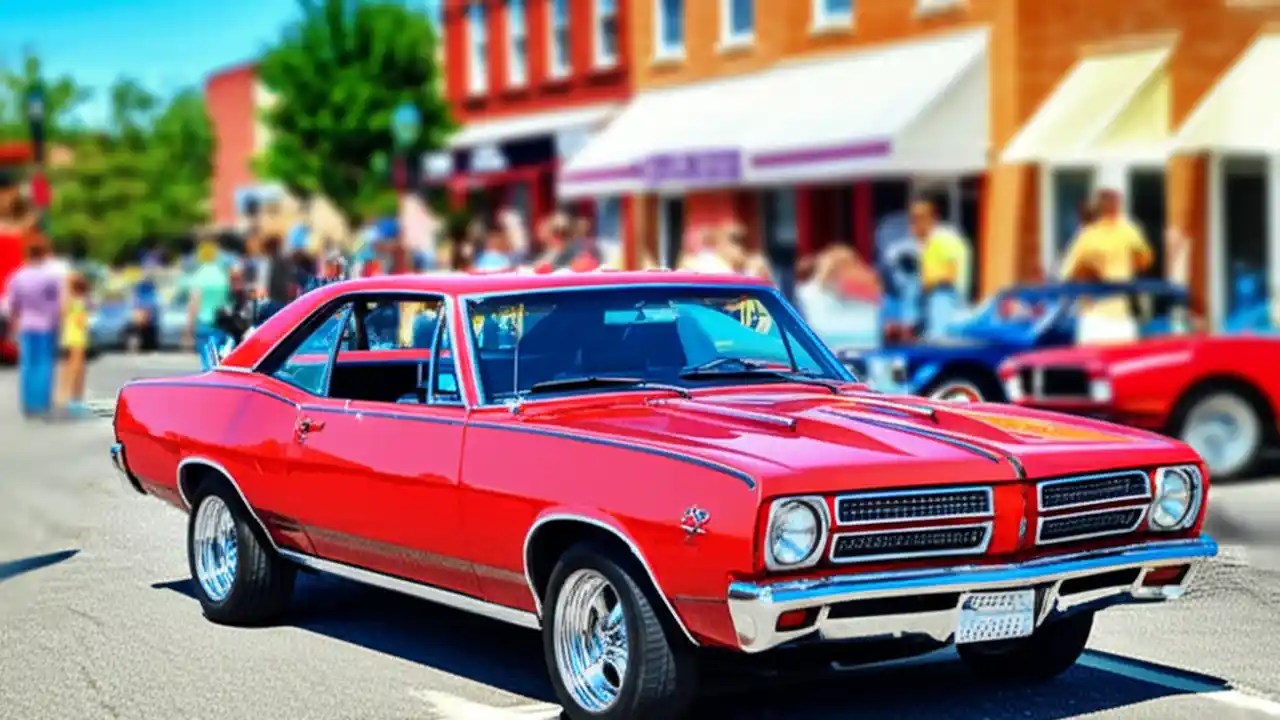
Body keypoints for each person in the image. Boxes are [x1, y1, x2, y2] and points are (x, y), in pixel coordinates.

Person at [1059, 187, 1154, 344]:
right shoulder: (1127, 231)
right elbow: (1144, 262)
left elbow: (1067, 274)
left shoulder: (1087, 235)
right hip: (1118, 316)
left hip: (1096, 317)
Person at [2, 235, 63, 418]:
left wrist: (14, 322)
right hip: (45, 325)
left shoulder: (18, 277)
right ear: (43, 254)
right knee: (44, 364)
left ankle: (29, 403)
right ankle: (42, 402)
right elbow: (56, 304)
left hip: (26, 325)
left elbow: (12, 304)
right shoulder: (50, 278)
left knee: (28, 364)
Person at [913, 200, 972, 341]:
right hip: (934, 296)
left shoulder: (943, 239)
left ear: (932, 218)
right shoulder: (929, 241)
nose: (914, 224)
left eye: (919, 218)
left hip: (943, 295)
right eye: (913, 219)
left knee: (940, 340)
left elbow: (950, 273)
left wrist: (930, 282)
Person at [183, 240, 232, 360]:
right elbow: (227, 300)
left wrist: (188, 329)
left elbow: (194, 303)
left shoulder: (198, 276)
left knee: (206, 358)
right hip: (220, 323)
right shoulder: (222, 276)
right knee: (218, 358)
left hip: (203, 323)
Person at [56, 271, 91, 418]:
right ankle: (71, 396)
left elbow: (63, 314)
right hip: (76, 335)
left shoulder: (74, 299)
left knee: (75, 366)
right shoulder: (80, 300)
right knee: (75, 366)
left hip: (74, 334)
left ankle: (71, 396)